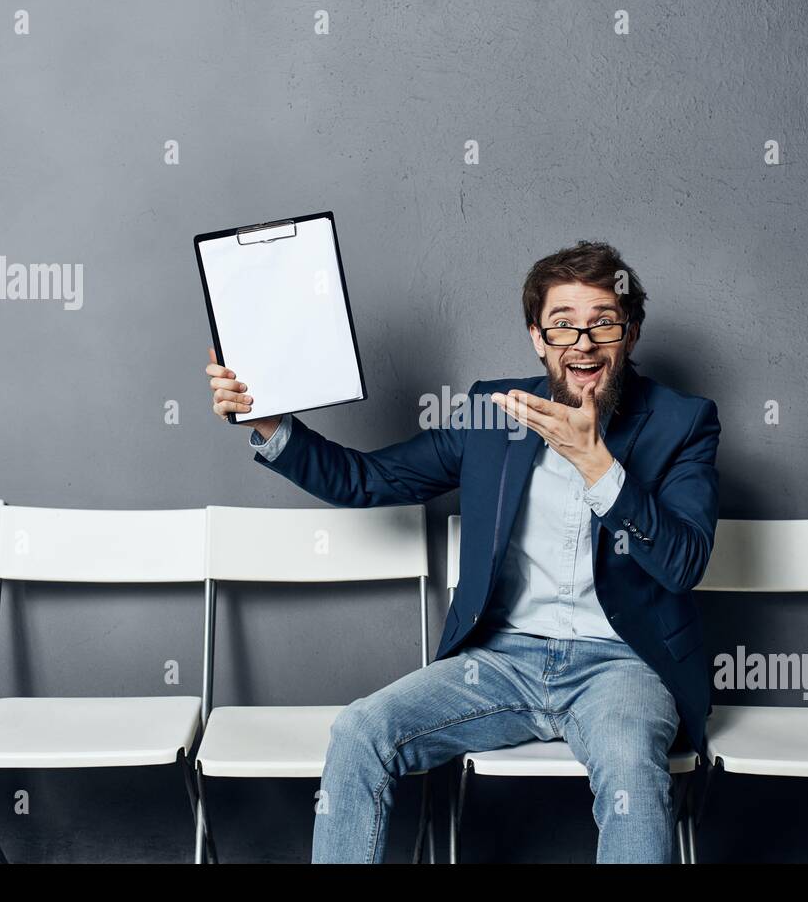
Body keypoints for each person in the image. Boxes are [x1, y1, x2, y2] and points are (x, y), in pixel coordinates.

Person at [206, 240, 721, 862]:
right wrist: (266, 425)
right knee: (361, 730)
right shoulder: (493, 412)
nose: (582, 342)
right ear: (537, 337)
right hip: (501, 661)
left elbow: (683, 561)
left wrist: (599, 467)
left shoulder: (683, 422)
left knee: (635, 777)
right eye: (562, 324)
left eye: (602, 322)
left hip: (622, 666)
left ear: (630, 334)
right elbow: (367, 479)